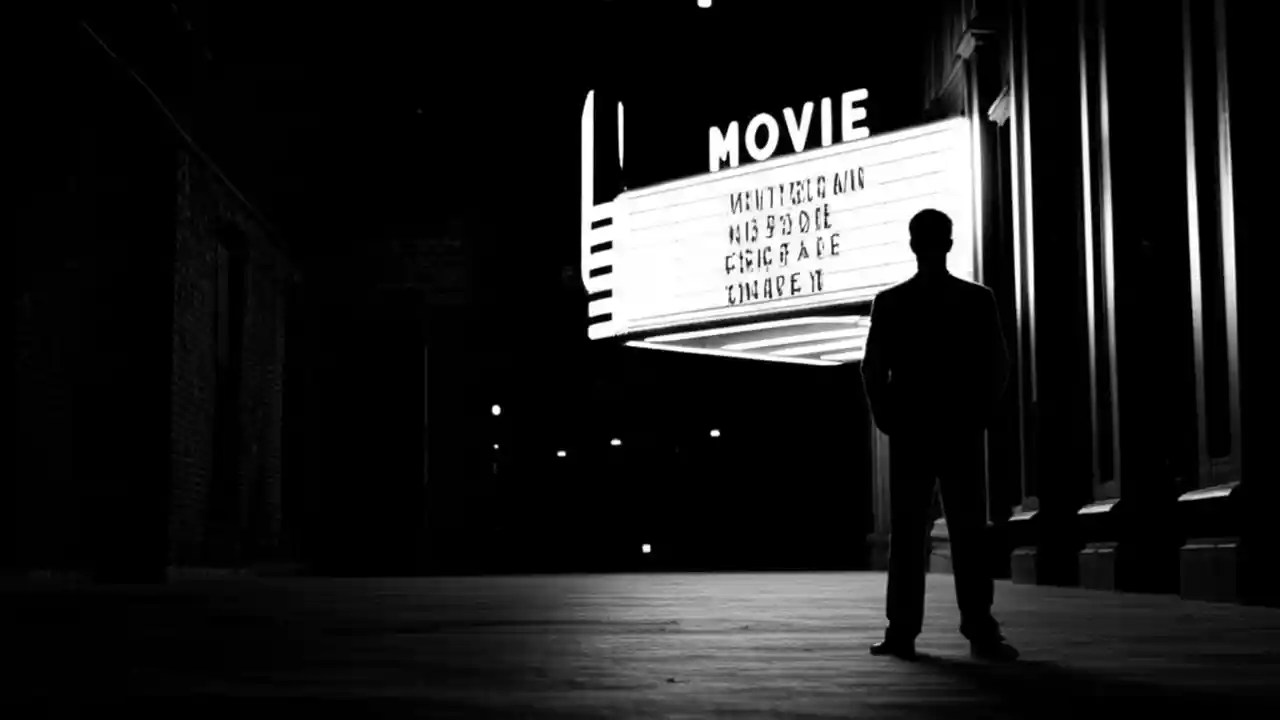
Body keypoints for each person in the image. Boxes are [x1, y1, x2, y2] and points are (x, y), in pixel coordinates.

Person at [861, 208, 1019, 662]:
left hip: (911, 429)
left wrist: (886, 415)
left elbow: (873, 369)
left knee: (907, 534)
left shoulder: (890, 302)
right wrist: (980, 413)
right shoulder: (977, 299)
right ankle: (980, 630)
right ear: (949, 243)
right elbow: (998, 365)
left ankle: (902, 631)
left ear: (913, 244)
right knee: (970, 532)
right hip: (960, 428)